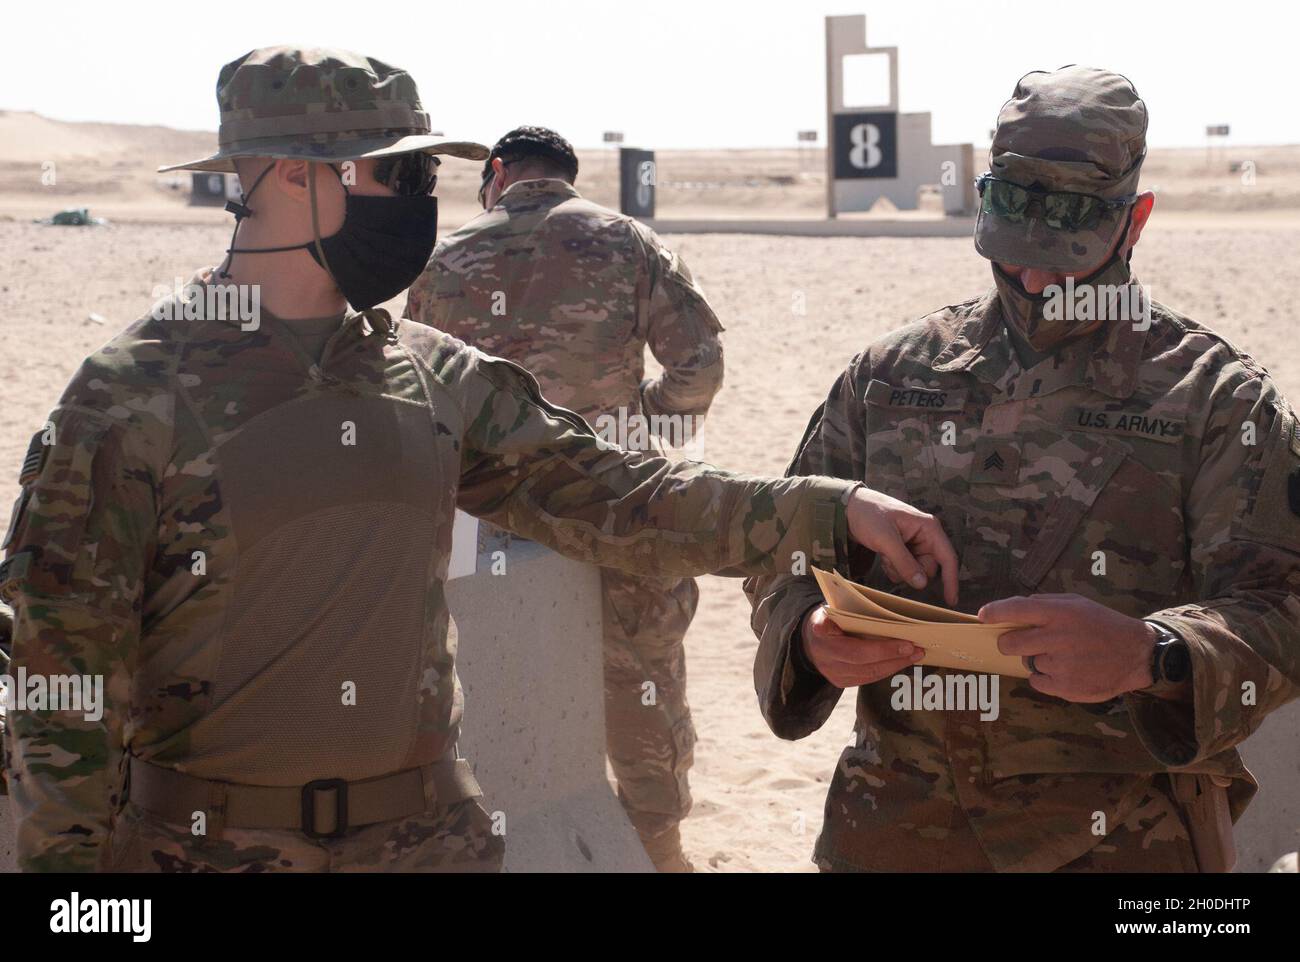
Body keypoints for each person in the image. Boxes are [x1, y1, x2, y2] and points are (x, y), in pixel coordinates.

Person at [0, 45, 956, 873]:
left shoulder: (433, 378)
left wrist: (832, 510)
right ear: (294, 173)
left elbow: (627, 498)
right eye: (399, 177)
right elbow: (60, 692)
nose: (425, 204)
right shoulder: (132, 395)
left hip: (426, 844)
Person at [745, 65, 1300, 872]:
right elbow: (785, 557)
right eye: (1013, 252)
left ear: (1135, 221)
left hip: (1123, 841)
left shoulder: (1217, 400)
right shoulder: (889, 377)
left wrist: (1154, 653)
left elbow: (1283, 612)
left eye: (1067, 255)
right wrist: (808, 636)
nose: (1036, 278)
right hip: (895, 827)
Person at [405, 125, 724, 871]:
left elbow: (415, 387)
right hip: (618, 503)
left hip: (496, 516)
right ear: (568, 177)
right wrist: (639, 416)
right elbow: (700, 367)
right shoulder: (629, 243)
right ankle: (657, 845)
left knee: (499, 691)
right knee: (640, 682)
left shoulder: (447, 258)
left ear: (498, 174)